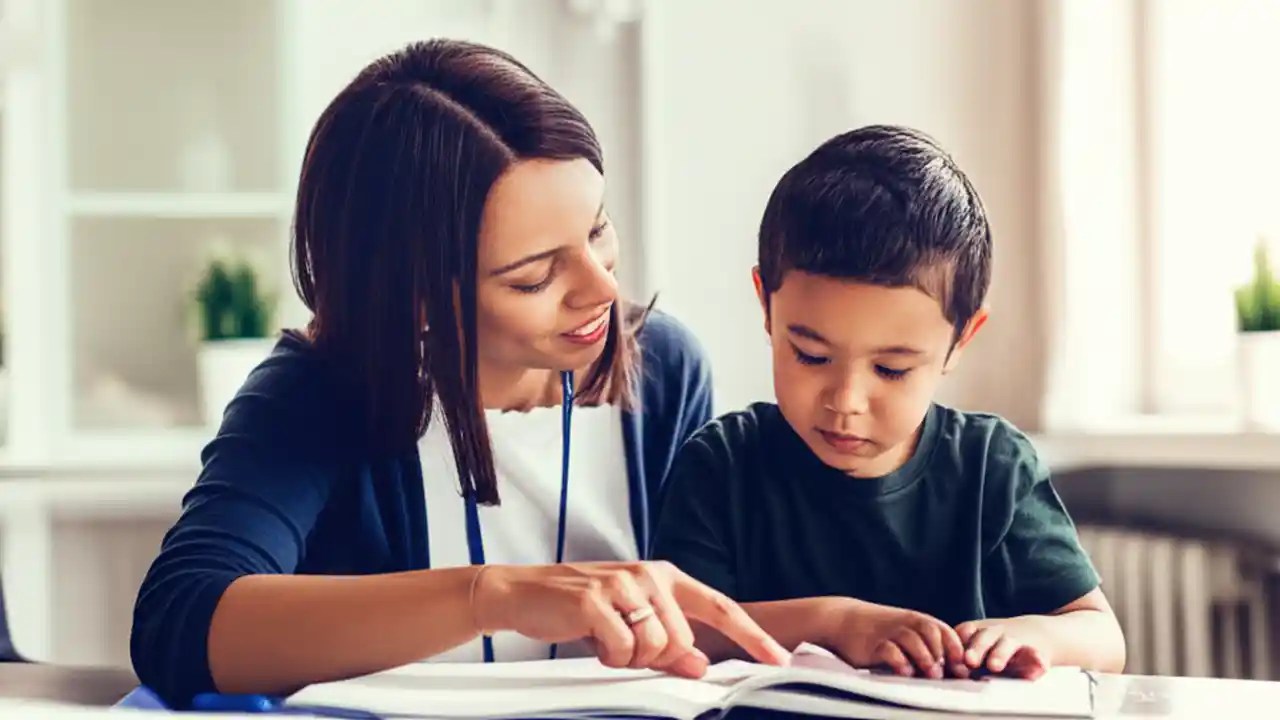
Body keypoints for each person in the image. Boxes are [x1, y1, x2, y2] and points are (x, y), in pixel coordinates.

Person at [131, 39, 788, 709]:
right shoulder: (318, 393)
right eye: (535, 276)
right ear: (417, 296)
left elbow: (700, 618)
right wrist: (492, 596)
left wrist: (845, 625)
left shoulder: (663, 369)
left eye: (597, 231)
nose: (601, 289)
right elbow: (180, 621)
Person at [652, 125, 1125, 680]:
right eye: (809, 355)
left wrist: (1032, 634)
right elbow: (680, 632)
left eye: (891, 369)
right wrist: (833, 623)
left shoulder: (991, 467)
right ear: (766, 306)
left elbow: (1103, 638)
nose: (846, 401)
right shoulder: (723, 464)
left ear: (960, 340)